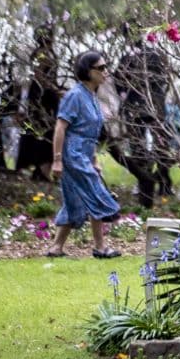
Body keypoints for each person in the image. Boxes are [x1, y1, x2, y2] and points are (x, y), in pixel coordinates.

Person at [51, 51, 123, 259]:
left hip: (83, 153)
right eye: (100, 68)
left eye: (105, 66)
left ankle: (56, 247)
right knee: (94, 192)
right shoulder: (74, 96)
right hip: (73, 154)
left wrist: (94, 159)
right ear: (87, 71)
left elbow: (89, 133)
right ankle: (100, 247)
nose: (105, 71)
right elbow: (60, 128)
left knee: (75, 198)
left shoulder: (91, 95)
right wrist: (57, 160)